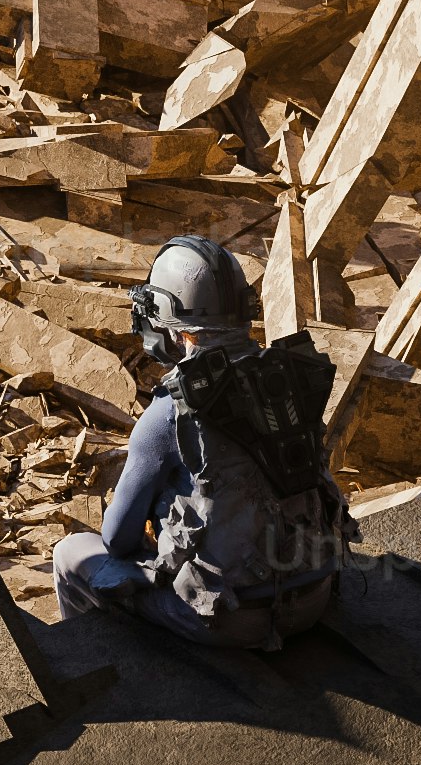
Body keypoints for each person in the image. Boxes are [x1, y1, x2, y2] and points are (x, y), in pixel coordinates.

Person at [54, 238, 354, 652]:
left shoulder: (171, 410)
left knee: (71, 554)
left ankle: (104, 666)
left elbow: (117, 540)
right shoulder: (289, 376)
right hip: (313, 598)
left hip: (231, 618)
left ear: (169, 322)